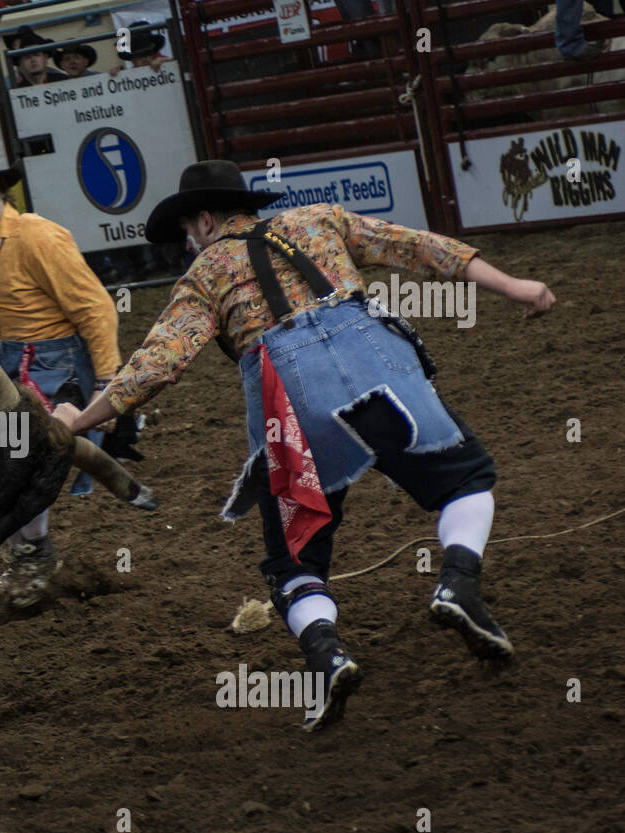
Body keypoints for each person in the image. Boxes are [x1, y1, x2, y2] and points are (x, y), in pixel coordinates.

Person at [55, 159, 557, 731]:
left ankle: (328, 654)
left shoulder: (205, 273)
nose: (188, 243)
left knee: (294, 557)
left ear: (204, 219)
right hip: (378, 368)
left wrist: (79, 422)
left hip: (288, 404)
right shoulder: (320, 220)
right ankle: (458, 582)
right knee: (465, 480)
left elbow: (158, 363)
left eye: (188, 232)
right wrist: (515, 286)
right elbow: (420, 248)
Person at [0, 138, 121, 608]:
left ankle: (34, 557)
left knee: (16, 461)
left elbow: (95, 308)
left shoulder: (37, 236)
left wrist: (108, 383)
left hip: (52, 367)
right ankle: (25, 558)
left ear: (0, 192)